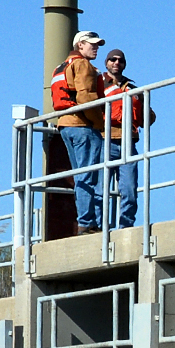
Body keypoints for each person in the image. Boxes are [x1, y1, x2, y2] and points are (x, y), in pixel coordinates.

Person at [49, 30, 107, 230]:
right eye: (92, 44)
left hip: (65, 125)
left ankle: (86, 221)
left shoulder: (60, 67)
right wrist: (100, 123)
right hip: (83, 126)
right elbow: (86, 98)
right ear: (80, 45)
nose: (96, 48)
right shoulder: (82, 64)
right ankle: (88, 222)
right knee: (88, 176)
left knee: (81, 176)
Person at [100, 49, 153, 229]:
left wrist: (140, 113)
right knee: (100, 189)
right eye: (112, 59)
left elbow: (149, 117)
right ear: (106, 62)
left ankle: (126, 226)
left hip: (128, 142)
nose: (116, 63)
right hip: (104, 141)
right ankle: (99, 228)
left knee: (129, 189)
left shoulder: (134, 89)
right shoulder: (98, 84)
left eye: (120, 60)